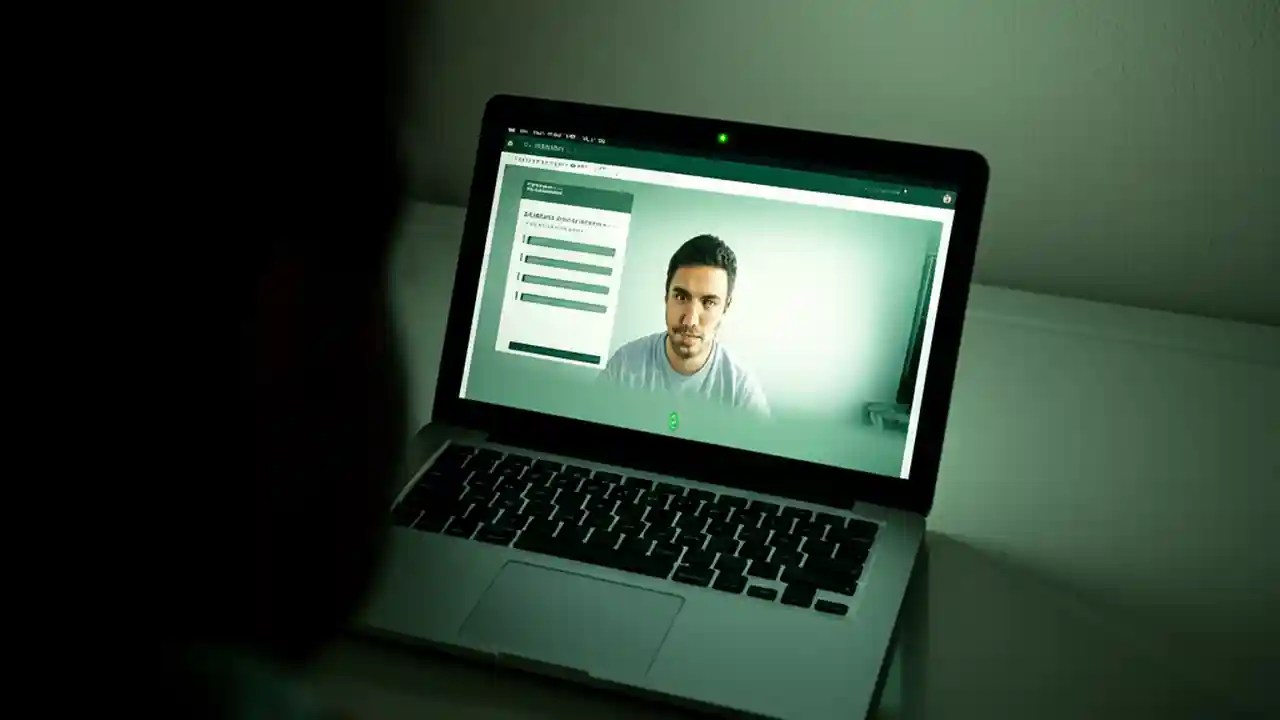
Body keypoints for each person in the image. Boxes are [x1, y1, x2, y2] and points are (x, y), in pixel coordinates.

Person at [600, 234, 769, 416]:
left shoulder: (741, 390)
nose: (690, 320)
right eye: (681, 297)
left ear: (725, 308)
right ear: (666, 296)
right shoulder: (624, 367)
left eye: (709, 303)